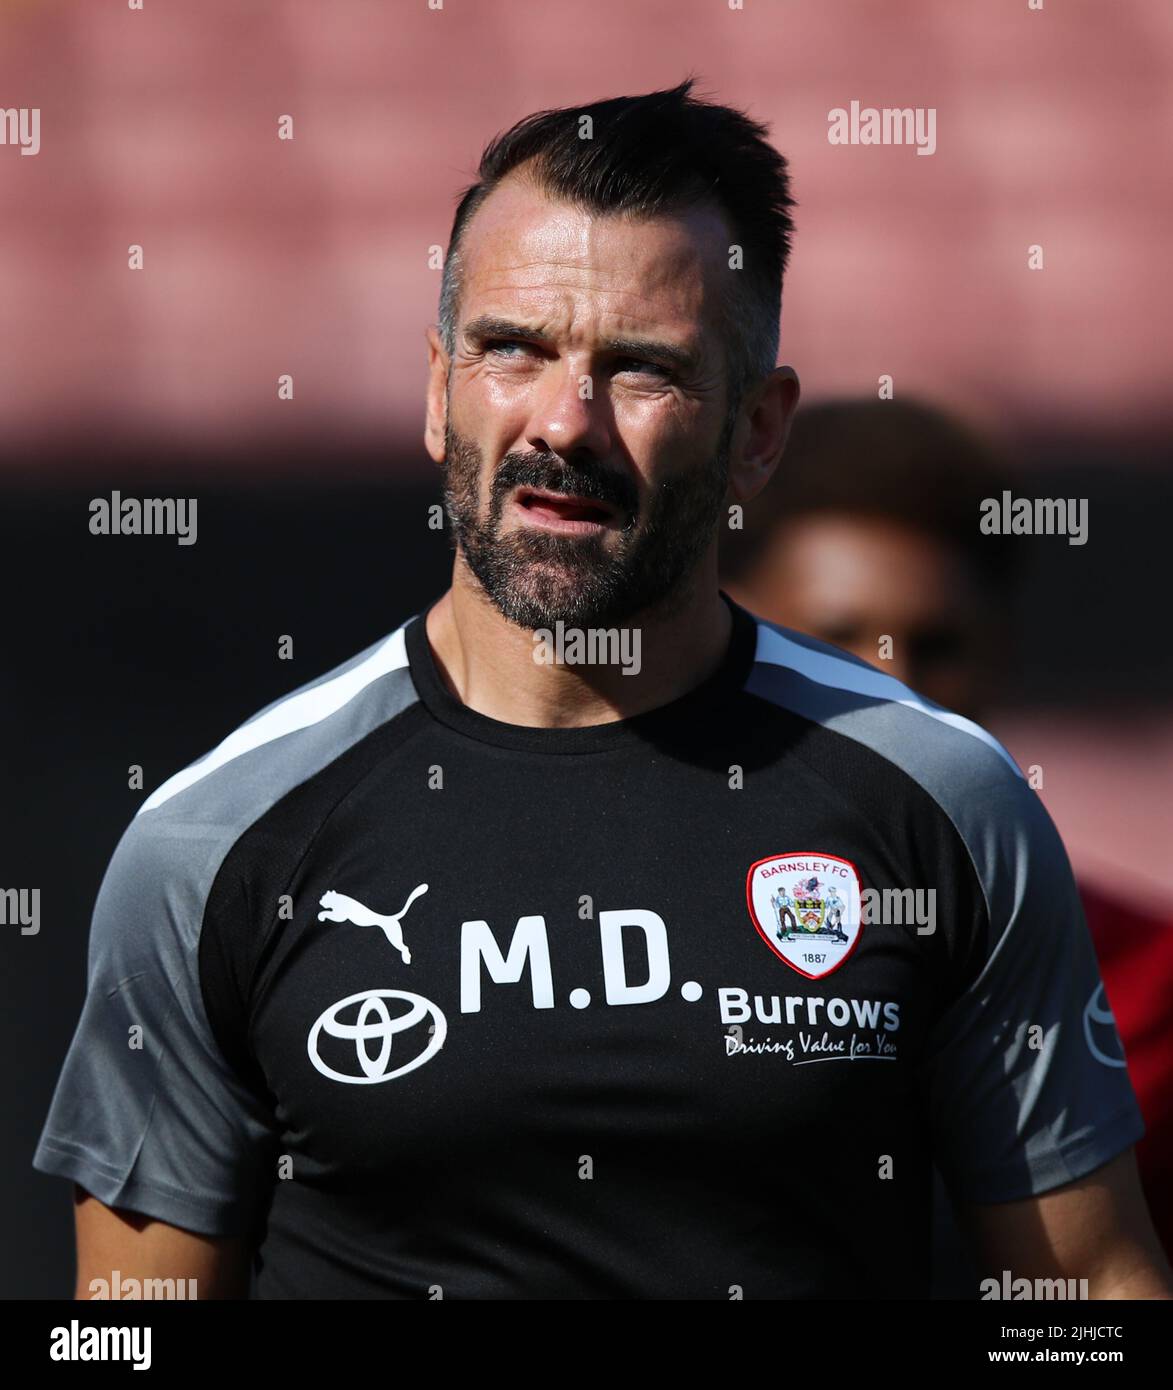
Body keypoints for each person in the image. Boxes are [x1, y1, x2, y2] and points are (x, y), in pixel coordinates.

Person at [34, 81, 1171, 1299]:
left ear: (758, 433)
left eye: (641, 370)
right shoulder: (212, 836)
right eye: (512, 349)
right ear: (436, 388)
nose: (564, 423)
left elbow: (1088, 1292)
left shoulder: (948, 801)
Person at [720, 395, 1173, 1285]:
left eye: (937, 645)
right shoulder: (621, 945)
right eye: (833, 642)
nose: (895, 691)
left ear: (1001, 654)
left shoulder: (1143, 981)